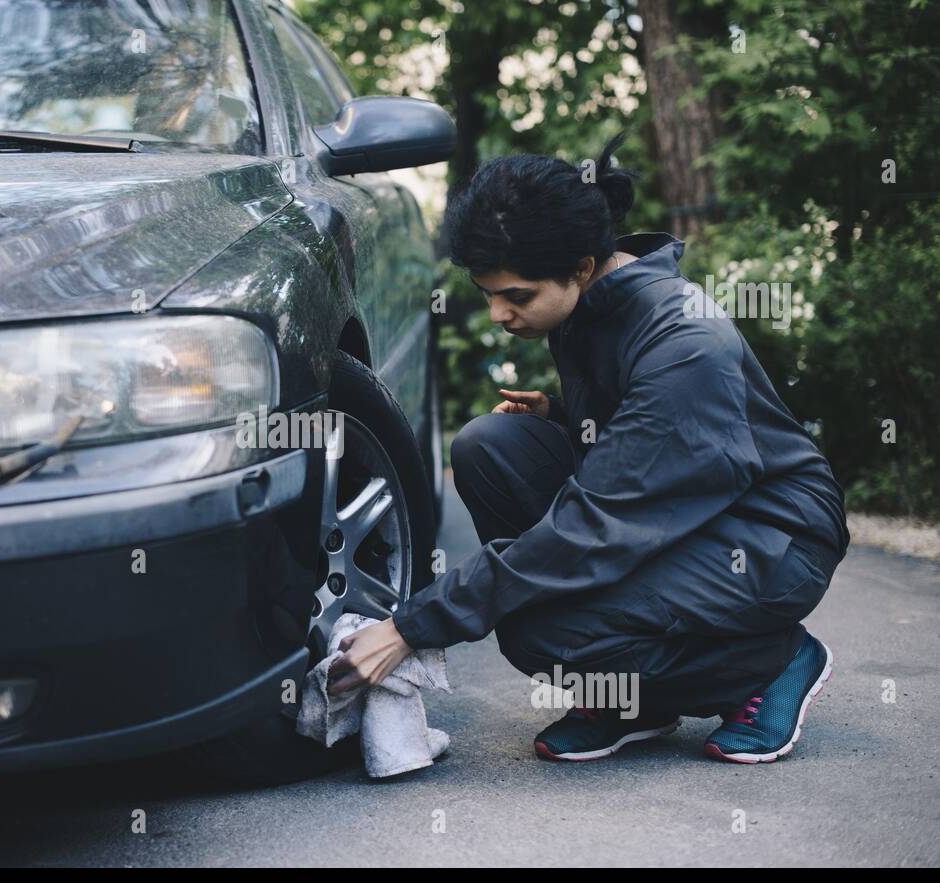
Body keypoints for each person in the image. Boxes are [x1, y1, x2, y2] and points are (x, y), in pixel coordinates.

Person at [326, 132, 849, 764]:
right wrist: (566, 413)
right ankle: (635, 699)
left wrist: (411, 627)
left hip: (770, 537)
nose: (497, 314)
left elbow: (596, 524)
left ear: (580, 267)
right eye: (488, 292)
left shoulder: (683, 341)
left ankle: (768, 664)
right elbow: (670, 438)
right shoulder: (587, 306)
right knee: (489, 445)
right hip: (693, 509)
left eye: (515, 296)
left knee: (541, 628)